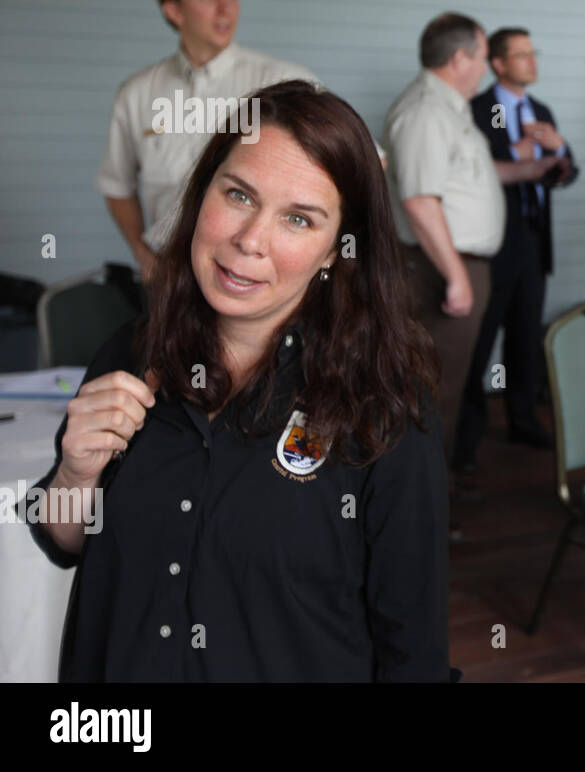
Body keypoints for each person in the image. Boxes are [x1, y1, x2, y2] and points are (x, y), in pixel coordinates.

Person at [28, 81, 451, 681]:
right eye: (238, 195)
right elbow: (63, 540)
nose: (249, 241)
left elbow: (415, 649)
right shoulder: (129, 351)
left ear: (336, 249)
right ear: (204, 193)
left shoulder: (384, 405)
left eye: (299, 219)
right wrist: (75, 474)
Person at [97, 0, 316, 279]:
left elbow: (364, 161)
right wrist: (143, 256)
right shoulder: (137, 93)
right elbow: (117, 187)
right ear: (174, 11)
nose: (226, 8)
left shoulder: (283, 83)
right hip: (169, 275)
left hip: (255, 273)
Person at [383, 13, 505, 470]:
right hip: (438, 268)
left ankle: (433, 498)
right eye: (483, 57)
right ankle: (423, 509)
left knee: (443, 389)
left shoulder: (449, 108)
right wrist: (456, 277)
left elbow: (454, 181)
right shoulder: (426, 111)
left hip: (454, 263)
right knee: (432, 391)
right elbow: (419, 200)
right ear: (459, 58)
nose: (488, 68)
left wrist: (531, 169)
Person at [454, 28, 576, 477]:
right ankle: (464, 441)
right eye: (522, 54)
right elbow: (470, 169)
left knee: (525, 340)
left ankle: (523, 422)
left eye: (533, 51)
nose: (532, 61)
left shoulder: (540, 111)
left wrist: (558, 150)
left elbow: (566, 171)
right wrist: (520, 153)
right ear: (499, 64)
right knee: (478, 343)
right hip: (491, 244)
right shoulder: (475, 109)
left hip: (534, 242)